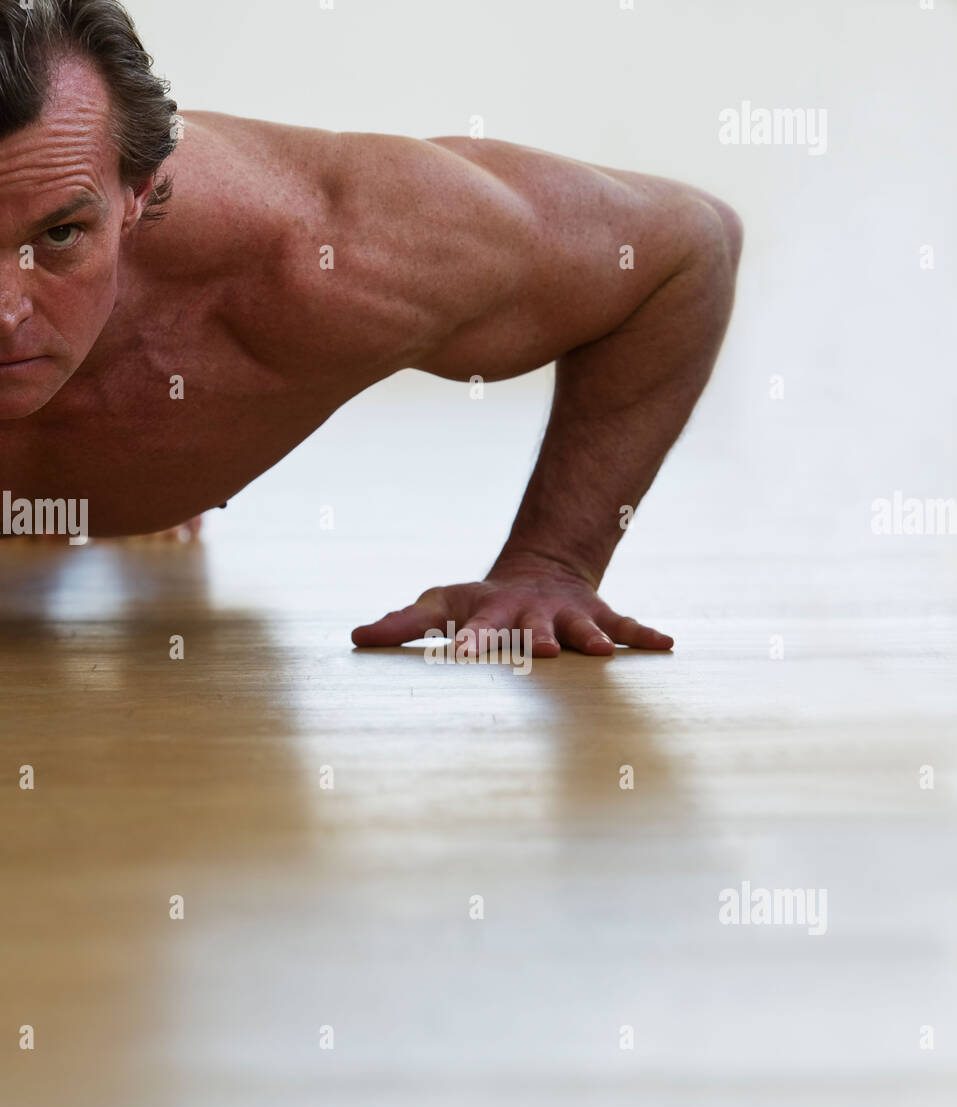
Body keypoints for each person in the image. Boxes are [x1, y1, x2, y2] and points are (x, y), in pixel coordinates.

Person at [0, 0, 742, 656]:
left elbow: (686, 246)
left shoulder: (329, 249)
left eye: (60, 234)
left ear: (139, 193)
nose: (5, 315)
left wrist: (551, 563)